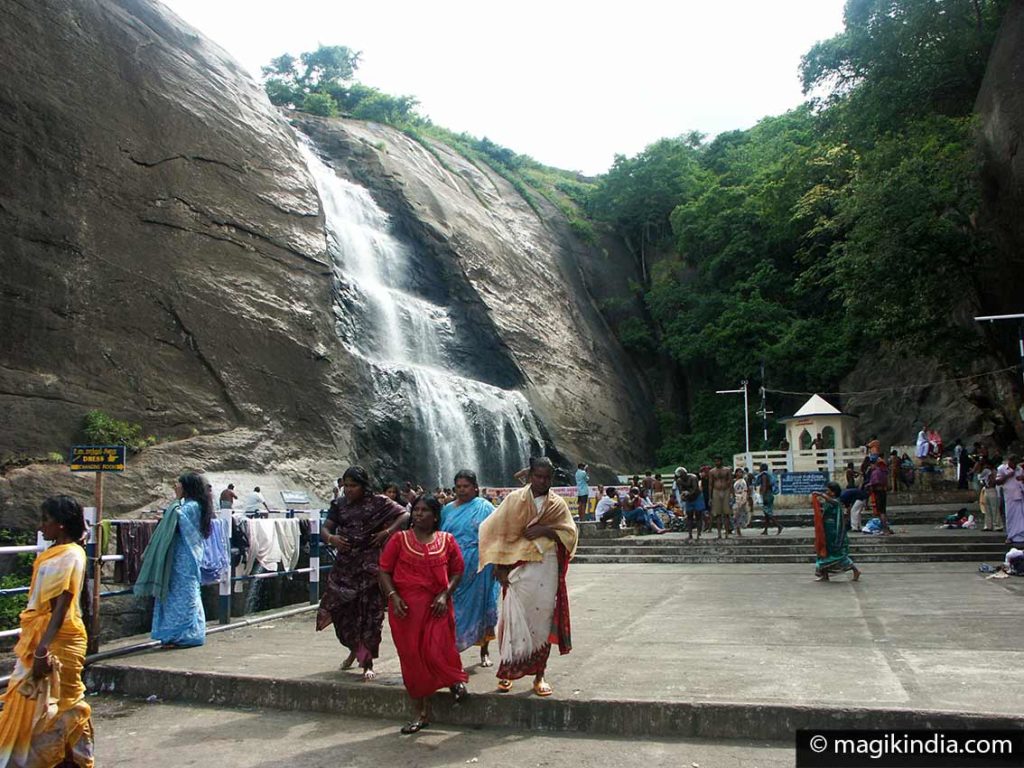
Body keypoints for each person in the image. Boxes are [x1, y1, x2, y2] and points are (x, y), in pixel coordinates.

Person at [0, 496, 94, 767]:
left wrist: (43, 648)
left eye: (45, 520)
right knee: (34, 702)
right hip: (43, 636)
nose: (41, 527)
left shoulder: (69, 556)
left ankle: (76, 759)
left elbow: (61, 606)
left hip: (59, 639)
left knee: (66, 703)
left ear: (61, 525)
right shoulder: (58, 551)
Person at [478, 456, 577, 697]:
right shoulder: (514, 500)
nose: (542, 481)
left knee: (542, 622)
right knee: (512, 620)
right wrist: (499, 566)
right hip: (516, 568)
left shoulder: (558, 505)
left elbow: (570, 535)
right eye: (538, 476)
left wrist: (547, 531)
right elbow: (495, 531)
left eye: (546, 477)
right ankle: (507, 671)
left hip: (546, 567)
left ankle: (540, 674)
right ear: (530, 475)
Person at [380, 495, 468, 734]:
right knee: (412, 659)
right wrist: (393, 597)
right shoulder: (399, 540)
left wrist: (444, 595)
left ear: (435, 515)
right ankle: (420, 713)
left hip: (437, 607)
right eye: (416, 510)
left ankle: (453, 680)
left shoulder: (446, 540)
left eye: (424, 510)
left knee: (440, 648)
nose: (418, 514)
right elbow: (384, 571)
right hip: (406, 611)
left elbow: (458, 571)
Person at [316, 465, 410, 681]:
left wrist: (387, 532)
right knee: (340, 611)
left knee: (370, 615)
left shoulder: (379, 502)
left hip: (369, 567)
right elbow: (325, 528)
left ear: (363, 486)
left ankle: (366, 661)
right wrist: (332, 539)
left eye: (354, 486)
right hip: (345, 567)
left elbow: (404, 515)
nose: (349, 490)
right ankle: (356, 649)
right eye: (346, 485)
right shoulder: (339, 505)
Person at [134, 471, 213, 647]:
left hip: (186, 557)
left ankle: (183, 635)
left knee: (184, 594)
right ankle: (183, 633)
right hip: (180, 555)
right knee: (179, 593)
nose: (176, 487)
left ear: (187, 487)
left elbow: (177, 519)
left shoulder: (192, 506)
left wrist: (176, 501)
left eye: (179, 484)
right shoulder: (193, 505)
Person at [440, 470, 499, 667]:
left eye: (466, 486)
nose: (462, 490)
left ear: (475, 488)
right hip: (452, 566)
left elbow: (496, 534)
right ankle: (451, 651)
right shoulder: (447, 510)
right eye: (459, 487)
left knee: (482, 606)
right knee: (453, 609)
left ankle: (484, 651)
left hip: (479, 566)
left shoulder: (486, 507)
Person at [811, 482, 861, 582]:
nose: (826, 492)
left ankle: (855, 570)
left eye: (828, 490)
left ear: (833, 493)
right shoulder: (828, 502)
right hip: (826, 530)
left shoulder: (836, 502)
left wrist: (820, 494)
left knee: (837, 554)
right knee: (824, 552)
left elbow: (831, 502)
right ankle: (825, 575)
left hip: (834, 531)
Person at [996, 455, 1024, 547]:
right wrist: (1007, 476)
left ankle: (1020, 535)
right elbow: (998, 482)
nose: (1015, 465)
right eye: (1013, 463)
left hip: (1020, 494)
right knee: (1010, 516)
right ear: (1009, 462)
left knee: (1020, 516)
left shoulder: (1019, 469)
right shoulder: (1001, 469)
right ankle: (1010, 536)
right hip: (1009, 497)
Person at [675, 468, 704, 543]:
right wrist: (683, 496)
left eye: (683, 475)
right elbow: (680, 490)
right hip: (689, 499)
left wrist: (688, 493)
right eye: (680, 476)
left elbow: (695, 489)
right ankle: (690, 533)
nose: (682, 477)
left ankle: (699, 533)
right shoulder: (679, 481)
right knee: (689, 515)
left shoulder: (693, 478)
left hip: (697, 497)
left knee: (698, 514)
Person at [708, 456, 733, 538]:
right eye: (715, 461)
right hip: (716, 491)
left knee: (726, 513)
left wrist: (732, 494)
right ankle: (719, 533)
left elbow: (730, 482)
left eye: (718, 461)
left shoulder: (727, 470)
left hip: (726, 491)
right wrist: (710, 497)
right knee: (717, 514)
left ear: (721, 461)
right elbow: (710, 484)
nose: (717, 463)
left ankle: (726, 533)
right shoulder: (712, 471)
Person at [978, 460, 1003, 532]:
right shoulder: (985, 471)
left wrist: (990, 476)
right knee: (987, 509)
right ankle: (988, 525)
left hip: (992, 490)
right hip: (986, 490)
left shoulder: (994, 471)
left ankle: (997, 525)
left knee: (994, 508)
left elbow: (994, 481)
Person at [757, 464, 782, 535]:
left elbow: (764, 486)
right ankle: (766, 530)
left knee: (768, 513)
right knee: (766, 514)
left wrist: (762, 496)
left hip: (766, 496)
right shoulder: (768, 475)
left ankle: (778, 525)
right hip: (770, 494)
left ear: (762, 468)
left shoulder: (764, 476)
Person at [731, 469, 749, 537]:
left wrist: (743, 500)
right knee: (735, 515)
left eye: (741, 472)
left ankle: (738, 530)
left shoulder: (743, 482)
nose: (740, 474)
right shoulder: (735, 481)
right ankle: (737, 530)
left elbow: (745, 491)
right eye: (738, 472)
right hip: (735, 497)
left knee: (738, 515)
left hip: (741, 498)